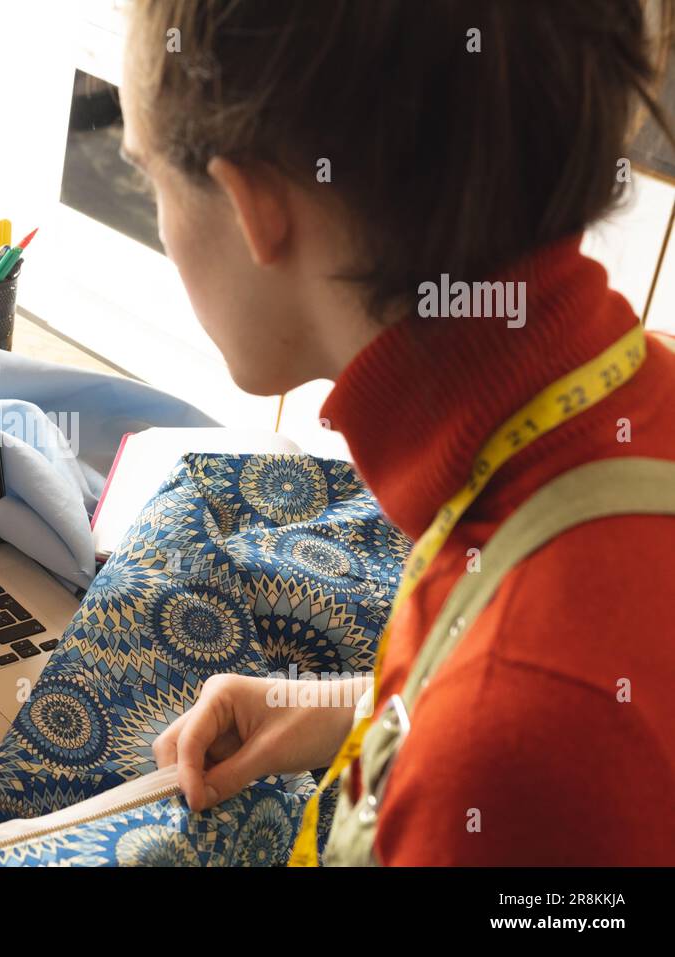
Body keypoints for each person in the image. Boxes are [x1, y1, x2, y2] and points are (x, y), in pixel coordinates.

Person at [122, 0, 675, 864]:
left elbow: (528, 745)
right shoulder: (631, 399)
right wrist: (365, 703)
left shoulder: (497, 755)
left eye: (145, 175)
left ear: (252, 204)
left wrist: (443, 741)